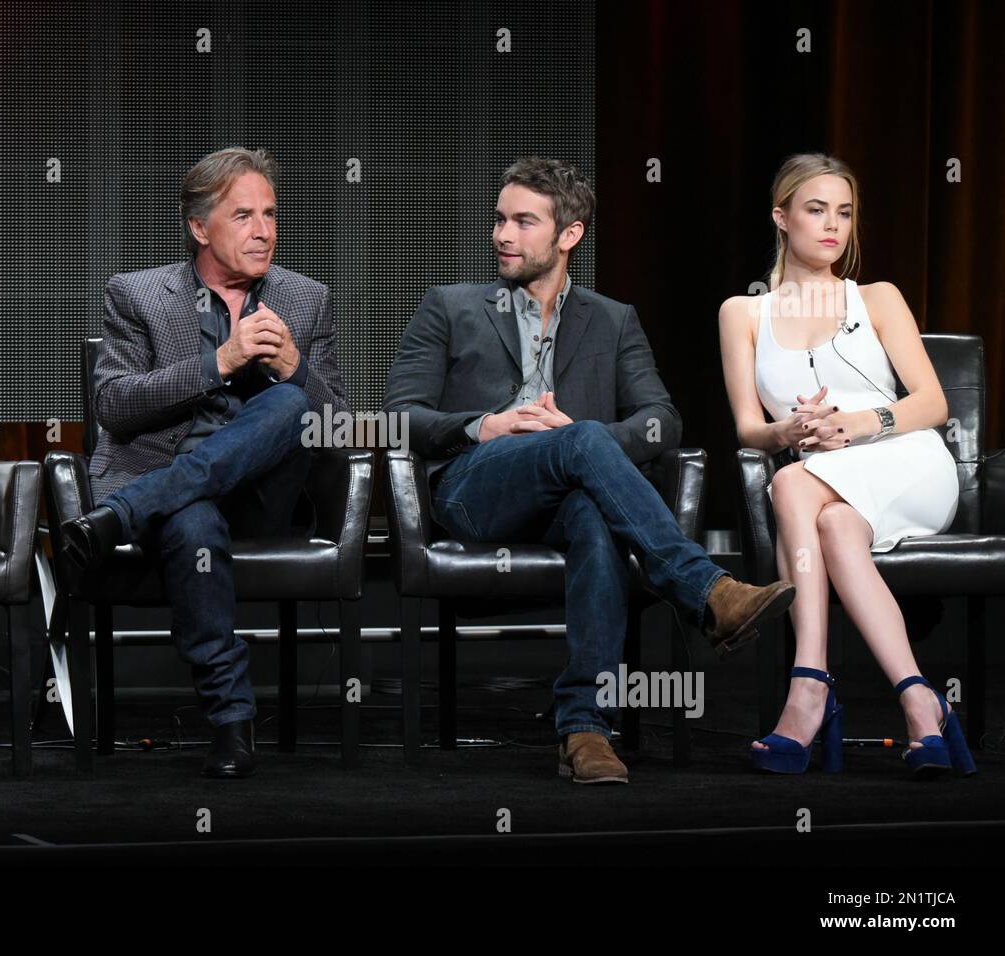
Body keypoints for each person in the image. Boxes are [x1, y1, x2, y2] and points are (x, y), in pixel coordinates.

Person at [383, 156, 796, 785]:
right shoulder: (450, 306)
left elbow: (662, 421)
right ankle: (706, 592)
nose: (502, 235)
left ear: (568, 235)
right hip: (473, 489)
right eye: (499, 220)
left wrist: (578, 436)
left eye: (523, 222)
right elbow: (397, 416)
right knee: (580, 448)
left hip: (567, 493)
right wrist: (485, 424)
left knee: (591, 512)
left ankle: (583, 729)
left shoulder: (612, 319)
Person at [60, 147, 348, 778]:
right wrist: (218, 362)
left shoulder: (305, 301)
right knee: (192, 518)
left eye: (270, 214)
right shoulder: (138, 295)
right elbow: (114, 405)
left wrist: (293, 366)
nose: (264, 231)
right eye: (243, 215)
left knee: (290, 402)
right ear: (199, 227)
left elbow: (336, 429)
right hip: (179, 500)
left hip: (260, 498)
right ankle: (231, 721)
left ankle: (124, 512)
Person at [717, 152, 974, 777]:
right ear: (781, 217)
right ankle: (921, 701)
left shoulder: (878, 298)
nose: (833, 225)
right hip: (827, 488)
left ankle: (808, 685)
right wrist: (792, 428)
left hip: (906, 462)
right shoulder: (743, 313)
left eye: (844, 212)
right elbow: (751, 428)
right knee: (824, 519)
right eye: (815, 210)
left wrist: (858, 423)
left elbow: (934, 403)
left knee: (790, 480)